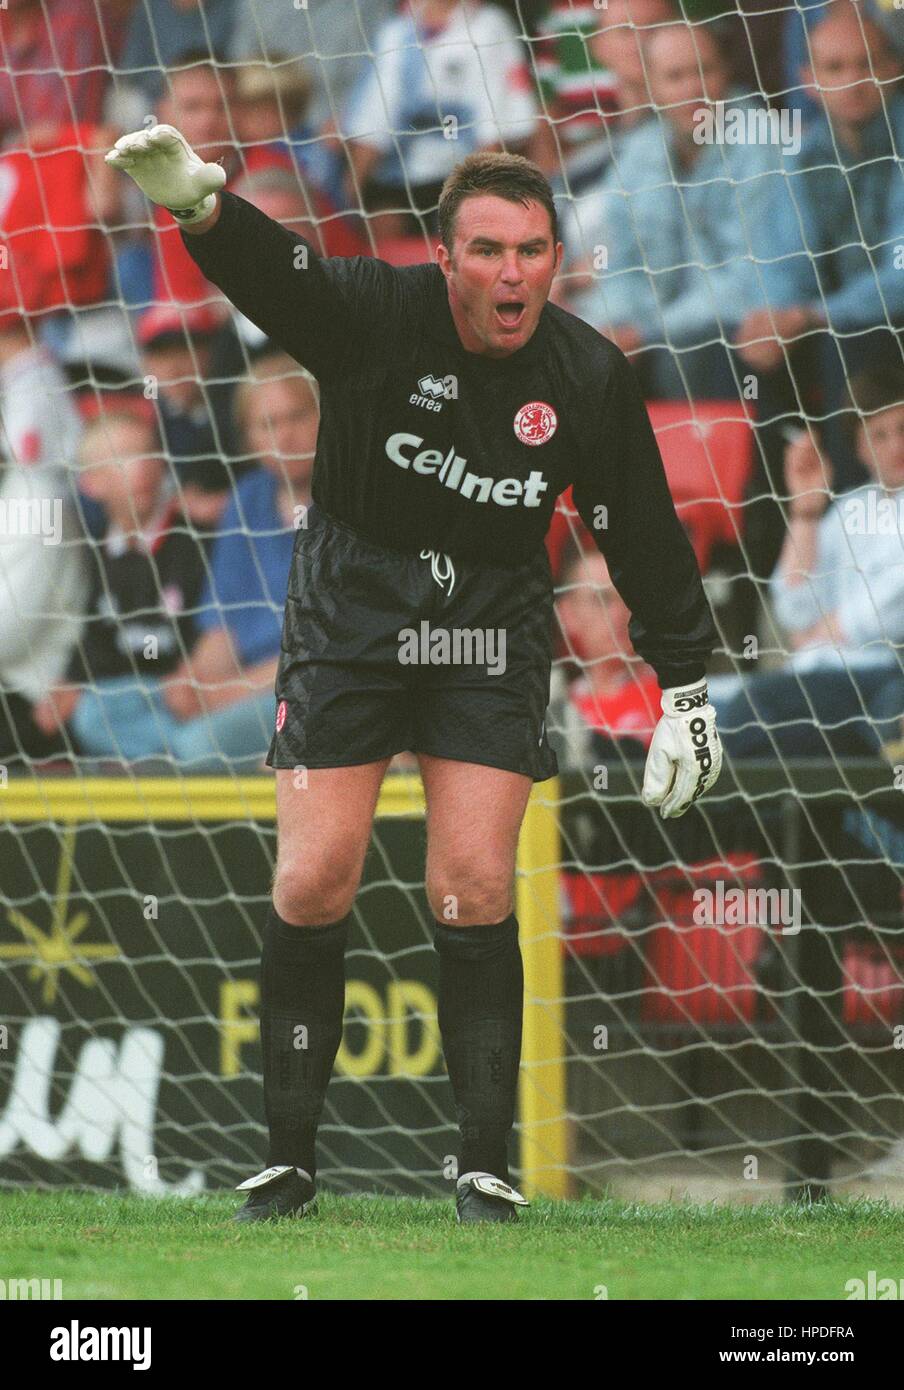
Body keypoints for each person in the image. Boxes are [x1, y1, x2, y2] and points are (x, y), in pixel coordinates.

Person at [105, 120, 723, 1224]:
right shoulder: (378, 313)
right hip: (351, 605)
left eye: (530, 250)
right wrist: (199, 210)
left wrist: (685, 686)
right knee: (312, 879)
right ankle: (288, 1161)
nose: (510, 272)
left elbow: (641, 535)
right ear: (444, 258)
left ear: (551, 259)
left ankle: (482, 1163)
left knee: (475, 883)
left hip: (488, 621)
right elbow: (280, 278)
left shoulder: (585, 374)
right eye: (486, 250)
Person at [710, 368, 904, 758]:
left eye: (903, 429)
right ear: (860, 447)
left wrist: (833, 627)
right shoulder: (849, 509)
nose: (896, 446)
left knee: (750, 714)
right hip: (819, 678)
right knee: (722, 715)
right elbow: (794, 612)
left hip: (881, 677)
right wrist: (806, 511)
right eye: (879, 435)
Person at [163, 353, 317, 750]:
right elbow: (223, 625)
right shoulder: (246, 500)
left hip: (311, 691)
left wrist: (225, 696)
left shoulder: (351, 505)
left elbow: (324, 650)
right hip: (239, 686)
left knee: (194, 746)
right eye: (268, 424)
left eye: (297, 417)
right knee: (105, 713)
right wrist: (193, 681)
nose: (284, 436)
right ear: (249, 439)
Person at [343, 0, 538, 237]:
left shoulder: (490, 26)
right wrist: (346, 200)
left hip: (462, 174)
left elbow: (494, 128)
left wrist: (480, 198)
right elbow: (372, 124)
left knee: (457, 234)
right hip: (398, 178)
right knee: (380, 228)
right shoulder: (395, 32)